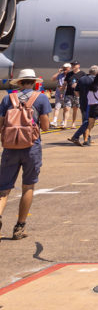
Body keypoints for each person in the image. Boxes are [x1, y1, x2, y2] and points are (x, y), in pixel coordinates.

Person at [0, 70, 53, 241]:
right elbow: (45, 126)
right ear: (33, 82)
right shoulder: (41, 98)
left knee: (4, 189)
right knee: (28, 187)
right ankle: (19, 227)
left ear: (20, 82)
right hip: (31, 147)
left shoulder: (8, 99)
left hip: (10, 147)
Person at [69, 65, 98, 146]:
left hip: (83, 102)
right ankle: (77, 137)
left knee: (86, 121)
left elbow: (76, 91)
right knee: (89, 122)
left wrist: (82, 96)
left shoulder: (82, 79)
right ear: (97, 73)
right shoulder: (96, 80)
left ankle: (87, 139)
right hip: (92, 104)